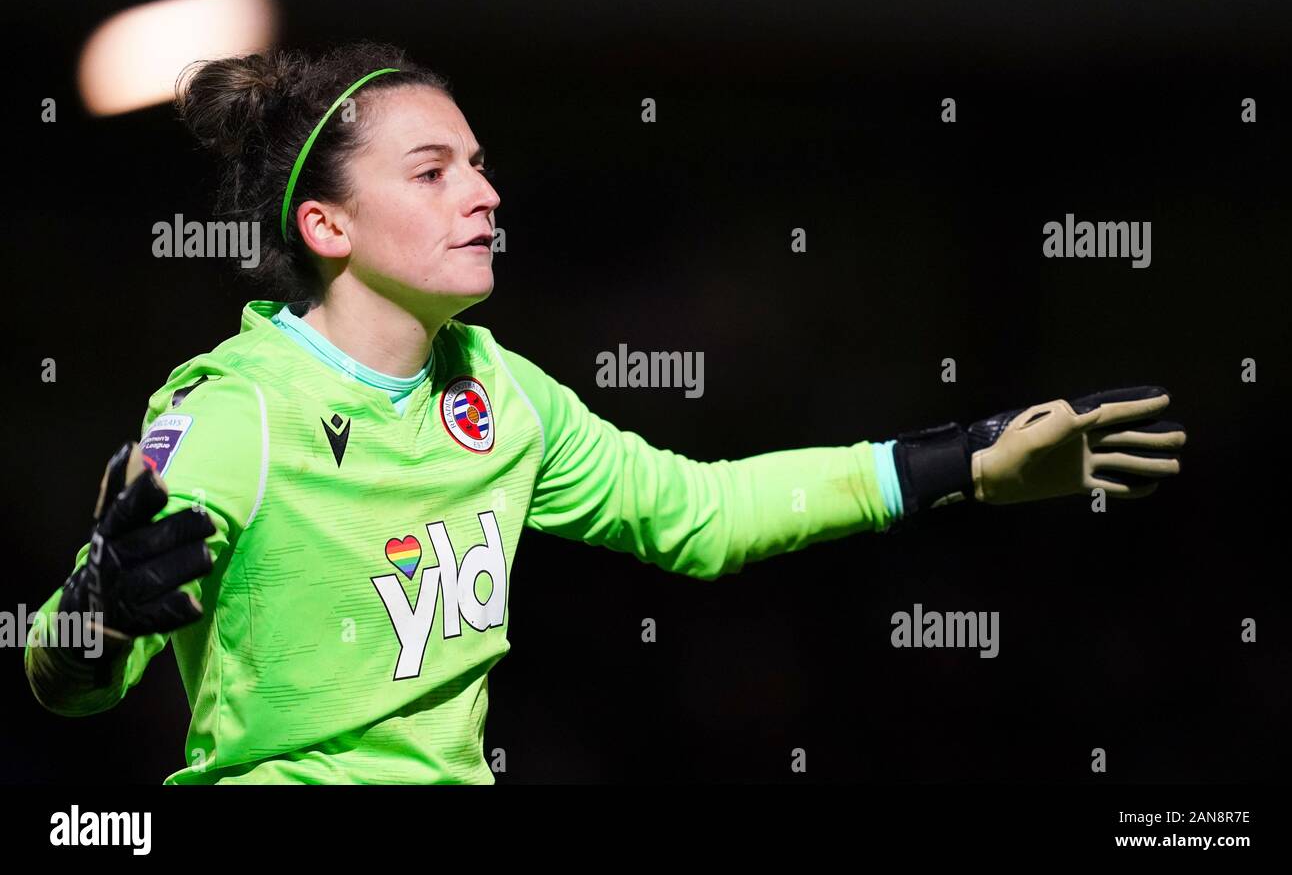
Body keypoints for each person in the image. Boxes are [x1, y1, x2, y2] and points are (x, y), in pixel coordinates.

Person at [24, 41, 1187, 784]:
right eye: (431, 172)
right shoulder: (238, 412)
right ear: (327, 228)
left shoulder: (499, 391)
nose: (482, 192)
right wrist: (96, 613)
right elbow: (66, 682)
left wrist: (958, 465)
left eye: (478, 164)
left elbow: (698, 511)